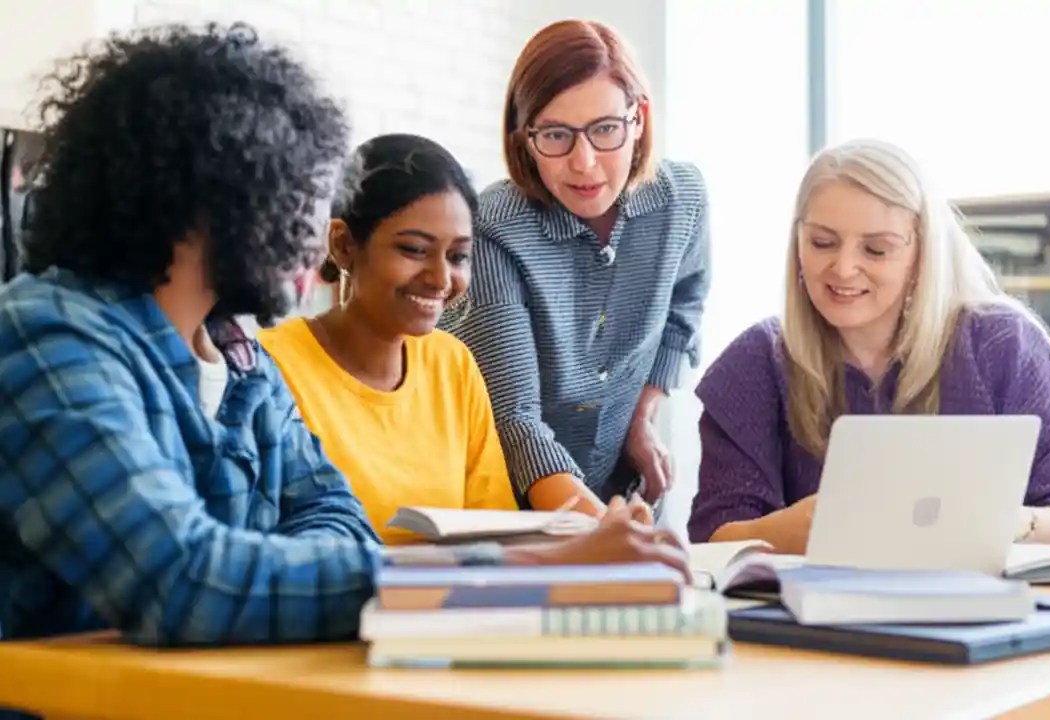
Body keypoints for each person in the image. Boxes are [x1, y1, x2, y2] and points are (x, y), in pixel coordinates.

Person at [0, 23, 688, 648]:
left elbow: (337, 520)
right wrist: (533, 564)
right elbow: (186, 581)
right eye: (298, 194)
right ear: (217, 194)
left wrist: (270, 571)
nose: (313, 235)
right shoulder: (47, 339)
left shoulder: (239, 360)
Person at [686, 138, 1050, 553]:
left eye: (877, 250)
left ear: (921, 254)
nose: (844, 267)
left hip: (981, 609)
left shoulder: (1002, 345)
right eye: (822, 243)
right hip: (815, 616)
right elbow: (711, 539)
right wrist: (787, 532)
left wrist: (1005, 521)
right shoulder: (756, 362)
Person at [442, 19, 711, 518]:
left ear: (639, 120)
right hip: (511, 506)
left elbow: (684, 307)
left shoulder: (682, 199)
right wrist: (607, 539)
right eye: (556, 135)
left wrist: (641, 417)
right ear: (524, 138)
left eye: (606, 129)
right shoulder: (494, 229)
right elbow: (516, 419)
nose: (584, 163)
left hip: (613, 494)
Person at [260, 134, 518, 545]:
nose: (440, 279)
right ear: (343, 245)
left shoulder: (454, 366)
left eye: (458, 257)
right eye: (414, 249)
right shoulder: (271, 368)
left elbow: (494, 538)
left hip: (450, 608)